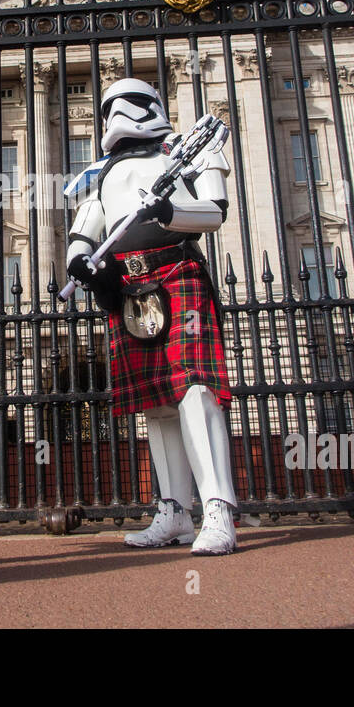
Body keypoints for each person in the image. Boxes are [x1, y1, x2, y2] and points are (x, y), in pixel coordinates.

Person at [65, 77, 238, 555]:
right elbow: (88, 224)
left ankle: (218, 508)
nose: (121, 112)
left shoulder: (190, 152)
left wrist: (169, 211)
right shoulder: (103, 173)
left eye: (131, 102)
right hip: (128, 286)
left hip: (176, 272)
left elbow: (215, 212)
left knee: (194, 389)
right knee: (157, 402)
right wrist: (81, 261)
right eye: (111, 105)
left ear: (153, 106)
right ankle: (174, 511)